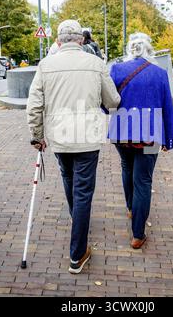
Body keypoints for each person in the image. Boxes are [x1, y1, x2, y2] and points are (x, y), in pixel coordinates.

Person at [27, 20, 120, 274]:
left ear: (58, 41)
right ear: (81, 40)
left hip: (60, 135)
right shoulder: (96, 64)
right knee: (83, 190)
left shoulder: (45, 66)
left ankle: (76, 219)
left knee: (68, 178)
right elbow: (113, 100)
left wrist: (37, 136)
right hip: (87, 136)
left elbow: (34, 105)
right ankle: (77, 254)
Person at [109, 32, 173, 250]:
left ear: (130, 49)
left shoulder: (117, 70)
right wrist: (169, 138)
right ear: (149, 49)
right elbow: (167, 107)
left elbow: (106, 101)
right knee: (144, 180)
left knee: (127, 167)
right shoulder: (159, 73)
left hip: (122, 133)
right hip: (151, 136)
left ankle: (130, 207)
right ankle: (138, 235)